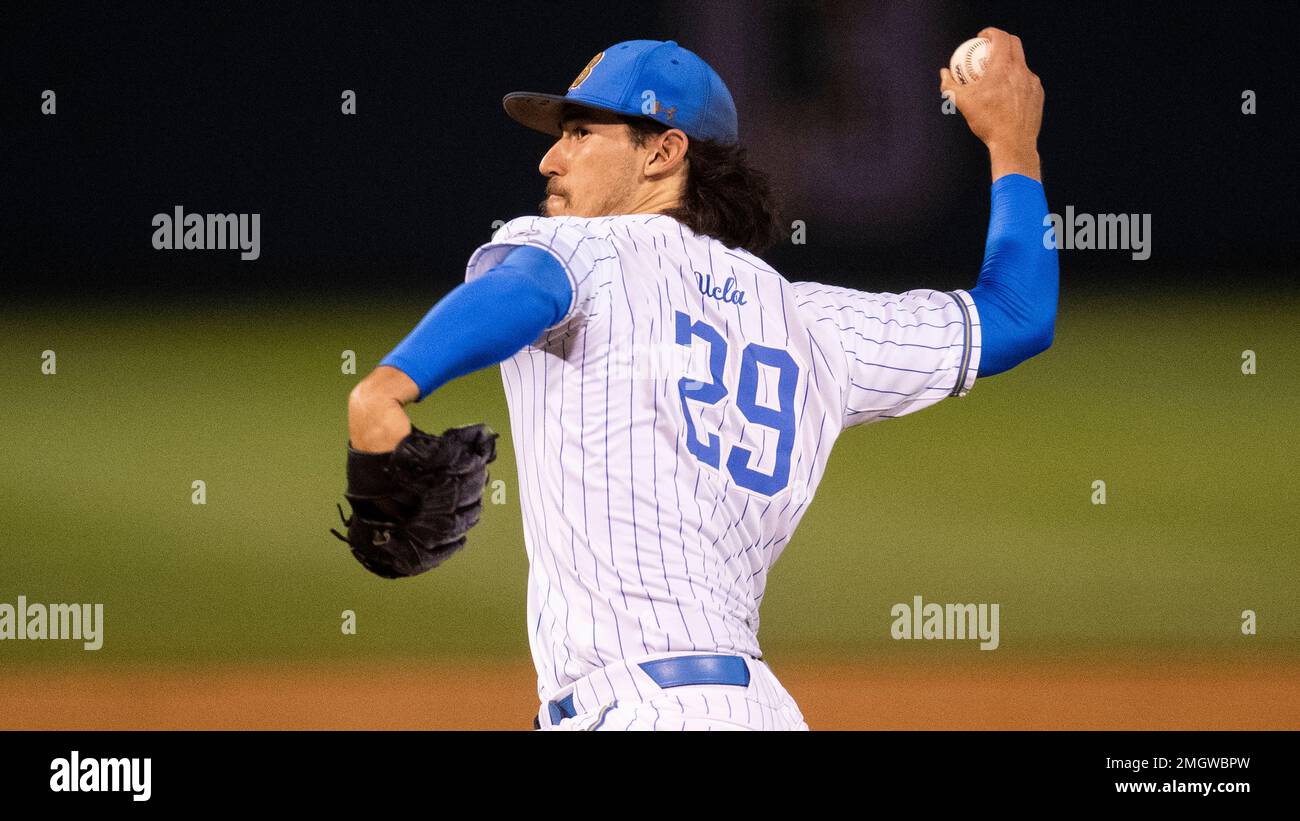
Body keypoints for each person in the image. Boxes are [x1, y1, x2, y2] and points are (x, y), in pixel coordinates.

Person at [345, 31, 1056, 730]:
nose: (550, 157)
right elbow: (1017, 315)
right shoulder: (813, 325)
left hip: (639, 710)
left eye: (582, 131)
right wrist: (1012, 143)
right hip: (761, 710)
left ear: (663, 150)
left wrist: (388, 385)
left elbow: (524, 287)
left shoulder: (581, 250)